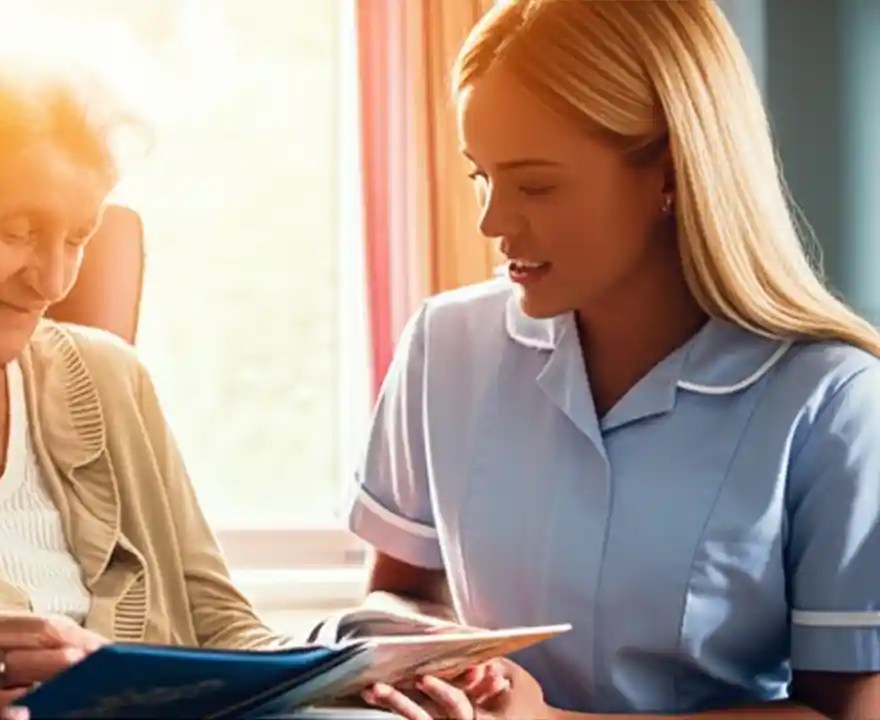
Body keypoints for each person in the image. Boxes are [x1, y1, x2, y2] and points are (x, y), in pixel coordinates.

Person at [0, 55, 499, 720]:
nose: (53, 279)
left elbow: (220, 626)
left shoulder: (109, 378)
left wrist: (361, 674)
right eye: (21, 231)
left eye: (77, 237)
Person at [348, 1, 880, 719]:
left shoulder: (834, 402)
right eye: (482, 177)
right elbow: (400, 590)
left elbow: (848, 711)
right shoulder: (444, 346)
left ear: (670, 173)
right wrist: (441, 662)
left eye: (535, 184)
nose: (491, 222)